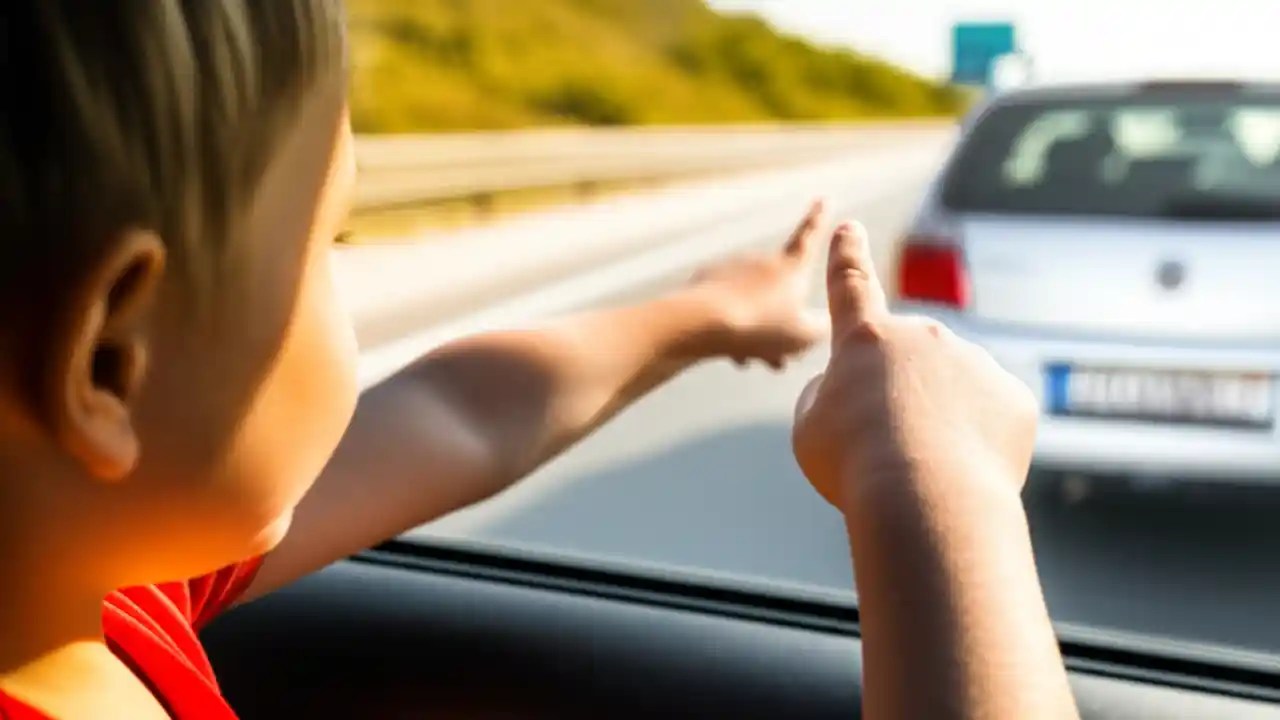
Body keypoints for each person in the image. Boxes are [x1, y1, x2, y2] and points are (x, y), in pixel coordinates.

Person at [0, 2, 1077, 719]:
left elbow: (458, 414)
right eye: (326, 246)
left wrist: (705, 314)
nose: (343, 290)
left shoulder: (91, 567)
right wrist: (937, 489)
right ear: (107, 361)